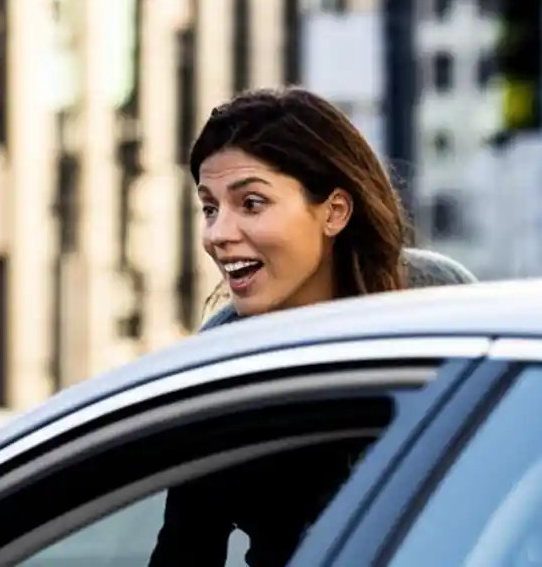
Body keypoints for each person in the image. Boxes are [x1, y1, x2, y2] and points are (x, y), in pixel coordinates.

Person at [148, 87, 475, 567]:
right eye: (210, 207)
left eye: (252, 203)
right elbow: (186, 549)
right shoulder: (222, 365)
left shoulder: (434, 301)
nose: (218, 234)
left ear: (334, 211)